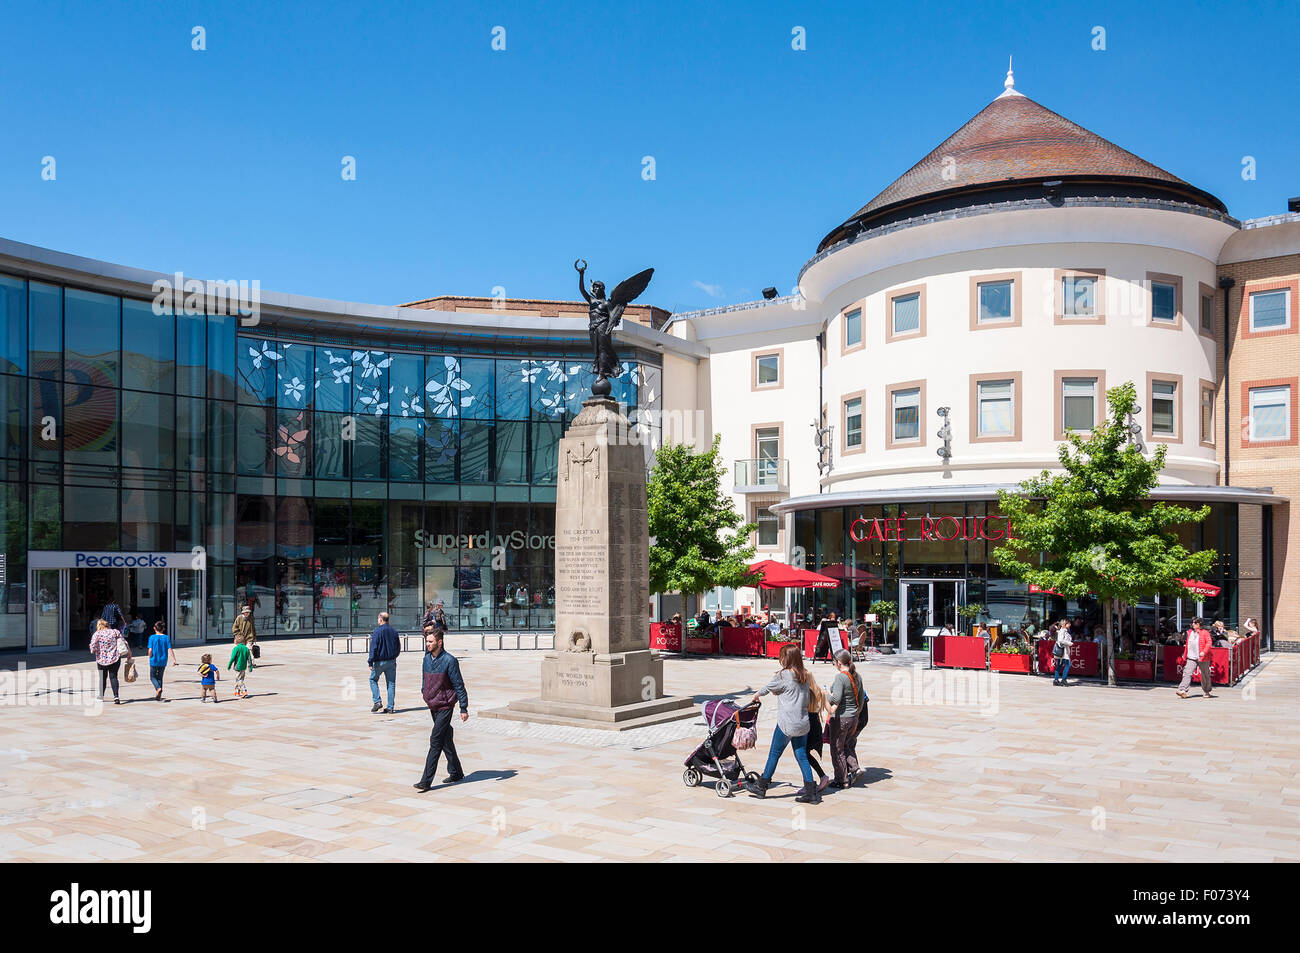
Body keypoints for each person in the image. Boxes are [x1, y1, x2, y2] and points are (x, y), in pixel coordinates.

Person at [743, 643, 819, 804]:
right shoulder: (804, 675)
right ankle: (811, 792)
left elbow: (768, 687)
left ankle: (761, 786)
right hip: (803, 723)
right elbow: (786, 691)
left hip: (787, 724)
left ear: (787, 659)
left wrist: (756, 695)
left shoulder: (784, 675)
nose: (780, 659)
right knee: (802, 756)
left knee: (774, 754)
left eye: (782, 657)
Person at [413, 626, 469, 791]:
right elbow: (425, 680)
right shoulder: (426, 659)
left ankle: (426, 781)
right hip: (433, 705)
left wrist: (463, 708)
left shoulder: (450, 661)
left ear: (440, 642)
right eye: (426, 641)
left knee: (435, 740)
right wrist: (425, 692)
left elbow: (459, 685)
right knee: (445, 739)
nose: (427, 644)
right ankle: (456, 772)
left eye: (430, 641)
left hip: (445, 705)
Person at [827, 650, 864, 787]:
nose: (834, 664)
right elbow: (860, 699)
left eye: (834, 662)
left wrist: (825, 694)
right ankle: (855, 769)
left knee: (837, 749)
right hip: (854, 717)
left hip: (841, 718)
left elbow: (835, 699)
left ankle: (842, 780)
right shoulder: (857, 676)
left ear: (839, 662)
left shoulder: (840, 677)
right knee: (846, 745)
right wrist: (855, 712)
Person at [367, 611, 402, 713]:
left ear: (381, 619)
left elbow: (373, 648)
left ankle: (377, 701)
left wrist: (370, 661)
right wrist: (394, 657)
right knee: (391, 684)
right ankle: (390, 707)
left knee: (373, 680)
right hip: (391, 661)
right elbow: (398, 647)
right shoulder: (394, 631)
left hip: (379, 661)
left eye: (378, 618)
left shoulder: (377, 631)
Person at [89, 618, 129, 705]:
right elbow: (124, 642)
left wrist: (95, 650)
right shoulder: (115, 632)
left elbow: (92, 647)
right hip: (114, 658)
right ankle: (116, 696)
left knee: (102, 678)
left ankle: (101, 697)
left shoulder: (97, 634)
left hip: (101, 660)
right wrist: (129, 654)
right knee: (113, 677)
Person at [1176, 617, 1214, 699]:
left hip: (1203, 657)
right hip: (1191, 656)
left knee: (1205, 674)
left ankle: (1207, 691)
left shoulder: (1205, 632)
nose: (1193, 624)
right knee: (1187, 672)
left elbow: (1209, 643)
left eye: (1195, 623)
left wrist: (1204, 651)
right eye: (1193, 623)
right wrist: (1185, 654)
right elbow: (1188, 645)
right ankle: (1183, 690)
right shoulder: (1189, 632)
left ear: (1199, 624)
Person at [805, 673, 830, 793]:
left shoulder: (808, 693)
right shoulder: (819, 691)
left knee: (803, 754)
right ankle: (821, 777)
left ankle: (821, 777)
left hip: (809, 725)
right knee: (804, 754)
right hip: (816, 724)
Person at [147, 621, 177, 702]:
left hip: (154, 660)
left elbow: (150, 650)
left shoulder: (152, 637)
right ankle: (159, 695)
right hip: (163, 661)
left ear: (154, 628)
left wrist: (149, 656)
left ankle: (158, 688)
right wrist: (174, 659)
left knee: (152, 677)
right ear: (163, 629)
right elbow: (170, 649)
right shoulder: (166, 637)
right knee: (160, 677)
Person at [1052, 620, 1073, 685]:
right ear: (1065, 624)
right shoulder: (1063, 631)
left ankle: (1056, 680)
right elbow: (1061, 640)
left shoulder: (1064, 631)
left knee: (1059, 665)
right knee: (1067, 665)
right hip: (1063, 651)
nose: (1070, 625)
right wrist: (1069, 643)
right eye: (1069, 623)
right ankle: (1063, 680)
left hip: (1063, 651)